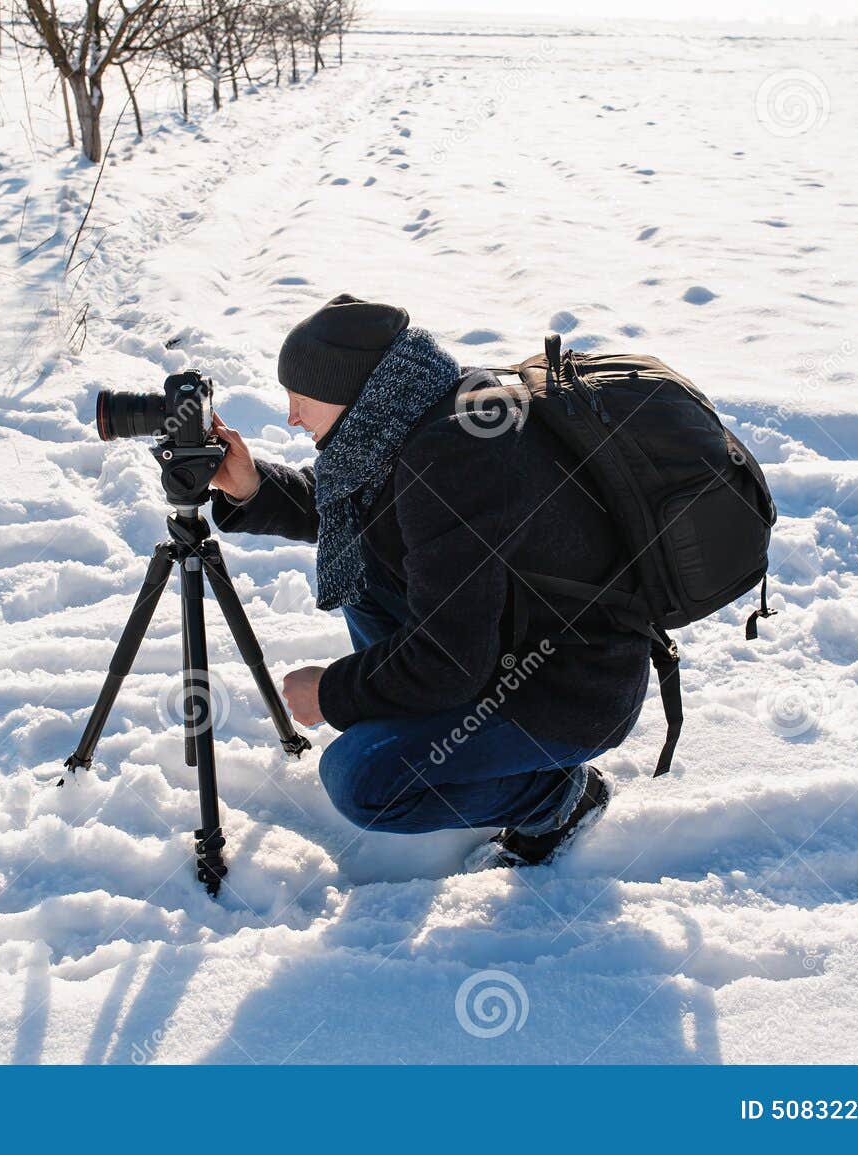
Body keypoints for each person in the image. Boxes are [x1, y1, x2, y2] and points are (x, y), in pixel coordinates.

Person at [208, 294, 650, 868]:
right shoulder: (422, 408)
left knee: (361, 780)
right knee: (359, 562)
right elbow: (352, 508)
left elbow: (449, 660)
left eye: (299, 399)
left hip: (568, 688)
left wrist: (333, 692)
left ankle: (559, 796)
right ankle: (419, 720)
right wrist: (251, 488)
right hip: (510, 641)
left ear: (348, 390)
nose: (292, 417)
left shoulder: (454, 456)